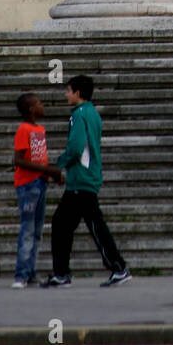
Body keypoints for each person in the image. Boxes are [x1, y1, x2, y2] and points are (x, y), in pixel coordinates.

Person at [40, 74, 131, 289]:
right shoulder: (93, 114)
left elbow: (76, 146)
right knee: (70, 223)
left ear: (77, 93)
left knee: (82, 224)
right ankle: (65, 272)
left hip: (80, 180)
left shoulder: (78, 115)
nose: (66, 94)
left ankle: (115, 268)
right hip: (88, 177)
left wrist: (58, 164)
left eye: (68, 90)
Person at [12, 92, 62, 288]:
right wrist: (47, 170)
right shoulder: (23, 130)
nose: (43, 106)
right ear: (31, 109)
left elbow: (39, 157)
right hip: (28, 185)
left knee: (37, 230)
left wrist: (50, 175)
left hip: (40, 183)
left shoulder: (40, 129)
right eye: (39, 103)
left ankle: (31, 272)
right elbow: (18, 160)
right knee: (28, 229)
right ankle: (21, 274)